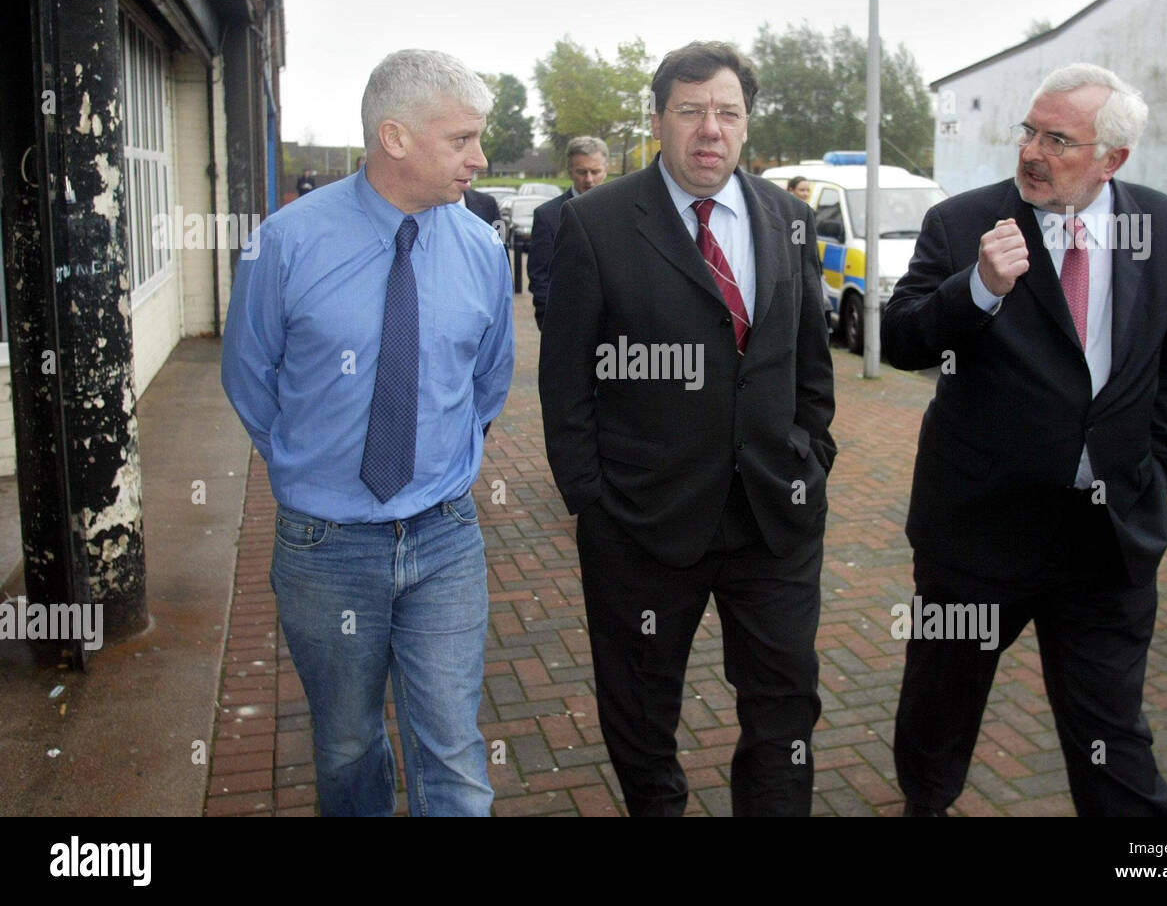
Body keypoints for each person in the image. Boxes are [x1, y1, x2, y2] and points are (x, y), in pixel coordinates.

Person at [882, 62, 1167, 817]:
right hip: (980, 535)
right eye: (1028, 130)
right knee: (939, 713)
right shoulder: (961, 223)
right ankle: (926, 803)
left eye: (1058, 140)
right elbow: (901, 340)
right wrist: (978, 288)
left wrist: (1147, 470)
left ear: (1112, 158)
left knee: (1113, 736)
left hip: (1106, 541)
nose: (1031, 152)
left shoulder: (1165, 227)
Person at [539, 41, 835, 816]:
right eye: (691, 110)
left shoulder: (790, 219)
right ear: (657, 120)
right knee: (641, 708)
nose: (711, 128)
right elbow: (565, 380)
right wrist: (591, 498)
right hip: (642, 522)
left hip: (773, 515)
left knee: (785, 703)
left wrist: (812, 456)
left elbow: (809, 364)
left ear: (746, 124)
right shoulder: (595, 223)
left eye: (728, 112)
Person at [221, 49, 514, 817]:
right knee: (348, 744)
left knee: (453, 750)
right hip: (326, 548)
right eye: (462, 139)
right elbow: (249, 376)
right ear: (395, 137)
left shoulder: (481, 249)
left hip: (445, 538)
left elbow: (488, 382)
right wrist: (312, 467)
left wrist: (439, 460)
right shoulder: (285, 242)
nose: (480, 158)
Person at [526, 136, 609, 328]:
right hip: (568, 327)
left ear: (606, 170)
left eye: (595, 171)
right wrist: (551, 325)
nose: (589, 179)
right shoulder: (547, 216)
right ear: (570, 171)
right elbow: (540, 277)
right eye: (582, 172)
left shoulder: (624, 211)